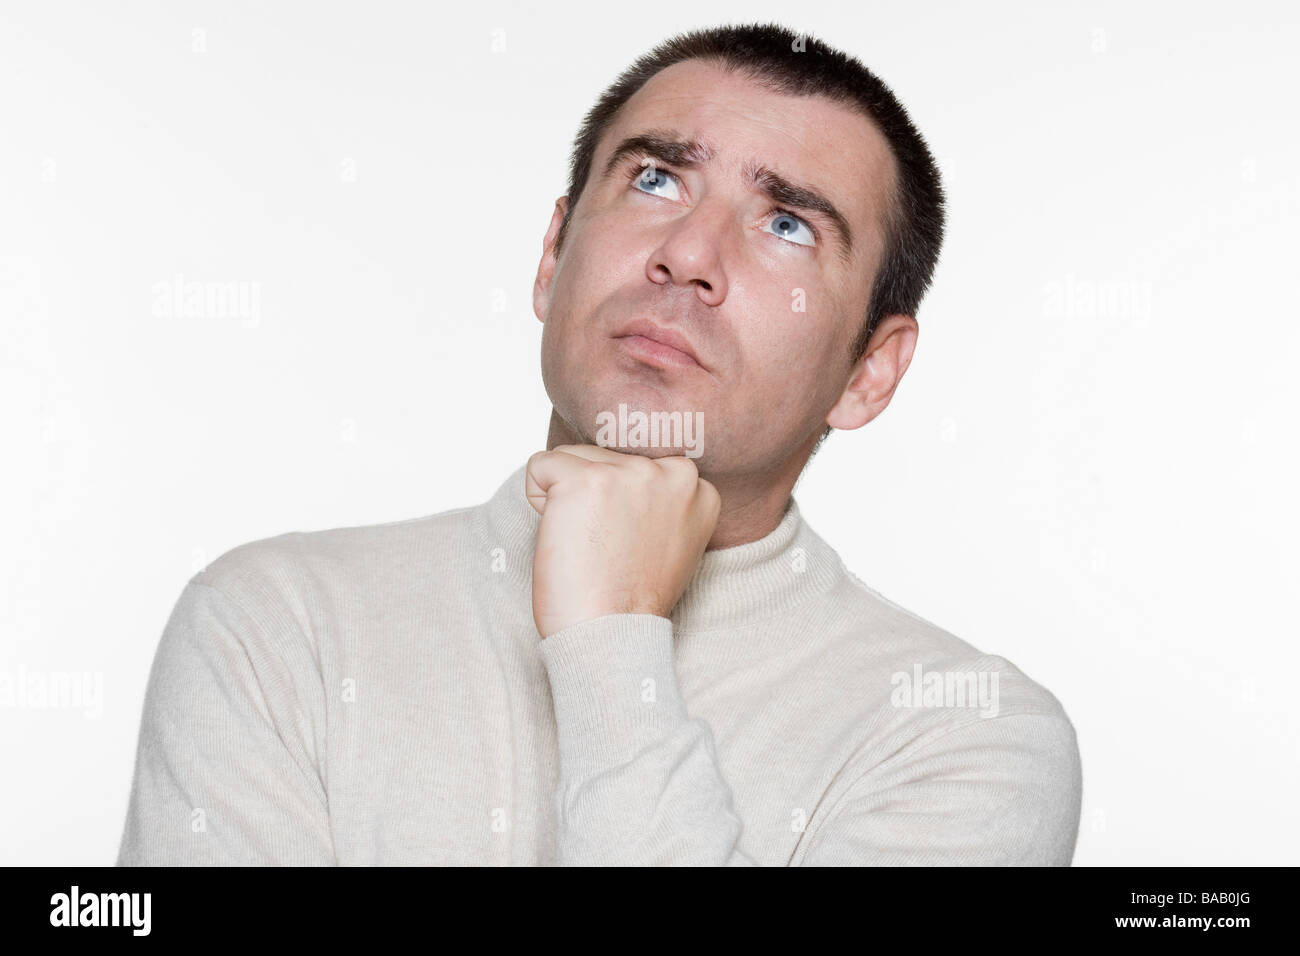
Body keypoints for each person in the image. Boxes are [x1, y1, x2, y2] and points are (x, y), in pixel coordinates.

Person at [116, 22, 1081, 866]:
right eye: (656, 179)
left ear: (870, 371)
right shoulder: (274, 628)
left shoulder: (966, 738)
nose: (688, 256)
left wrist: (610, 639)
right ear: (552, 256)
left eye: (787, 224)